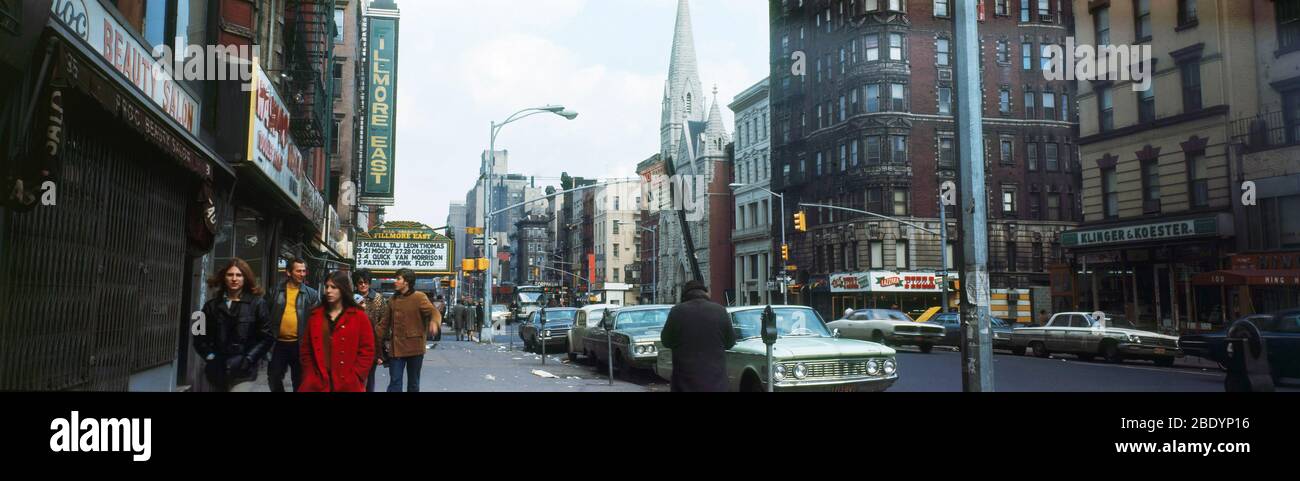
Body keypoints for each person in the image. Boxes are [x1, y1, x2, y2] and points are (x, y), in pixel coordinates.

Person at [194, 258, 274, 392]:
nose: (234, 279)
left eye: (239, 275)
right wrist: (210, 357)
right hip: (217, 371)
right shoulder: (210, 306)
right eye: (230, 275)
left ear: (245, 278)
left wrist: (249, 359)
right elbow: (198, 336)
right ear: (224, 278)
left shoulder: (258, 304)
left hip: (244, 371)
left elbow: (267, 337)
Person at [299, 271, 375, 392]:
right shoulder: (315, 315)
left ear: (343, 289)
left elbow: (367, 350)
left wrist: (356, 376)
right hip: (318, 382)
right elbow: (306, 349)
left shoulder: (359, 316)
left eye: (333, 287)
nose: (328, 290)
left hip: (348, 383)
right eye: (327, 286)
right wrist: (309, 374)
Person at [661, 281, 736, 392]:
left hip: (685, 382)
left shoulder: (677, 312)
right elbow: (730, 342)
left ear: (685, 295)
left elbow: (666, 341)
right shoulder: (720, 311)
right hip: (715, 382)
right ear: (705, 293)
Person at [379, 269, 437, 392]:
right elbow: (383, 324)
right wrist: (371, 338)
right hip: (396, 350)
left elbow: (434, 312)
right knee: (394, 383)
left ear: (406, 282)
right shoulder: (392, 300)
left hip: (415, 348)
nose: (395, 282)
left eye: (398, 279)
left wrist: (434, 322)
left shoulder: (419, 297)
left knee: (413, 384)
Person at [266, 258, 320, 392]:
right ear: (289, 272)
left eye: (304, 271)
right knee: (273, 376)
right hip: (277, 343)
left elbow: (317, 322)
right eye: (298, 271)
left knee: (300, 380)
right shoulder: (275, 292)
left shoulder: (311, 294)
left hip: (300, 345)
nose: (302, 274)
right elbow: (264, 316)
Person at [354, 269, 389, 392]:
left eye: (366, 282)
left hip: (371, 343)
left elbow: (384, 321)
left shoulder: (378, 299)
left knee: (370, 376)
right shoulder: (350, 298)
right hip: (353, 342)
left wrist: (378, 339)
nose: (363, 285)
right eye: (360, 282)